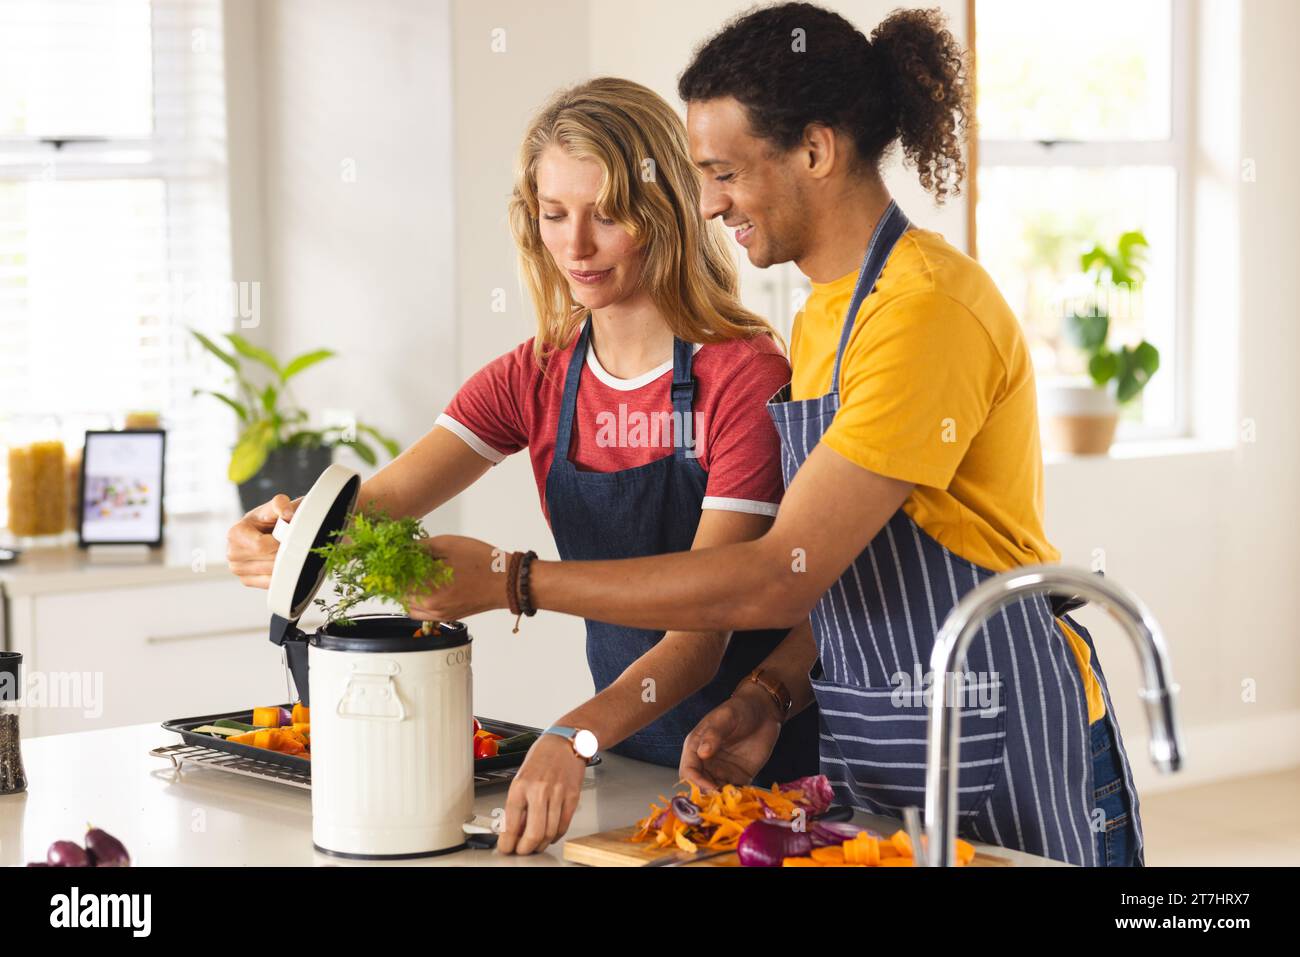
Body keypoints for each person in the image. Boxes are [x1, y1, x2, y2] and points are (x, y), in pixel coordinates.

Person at [411, 5, 1143, 867]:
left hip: (998, 729)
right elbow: (848, 576)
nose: (710, 202)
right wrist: (769, 692)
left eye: (723, 171)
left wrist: (516, 579)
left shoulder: (925, 312)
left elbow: (771, 575)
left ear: (816, 150)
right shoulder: (828, 310)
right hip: (877, 738)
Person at [226, 77, 818, 856]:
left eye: (607, 215)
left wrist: (572, 733)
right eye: (553, 214)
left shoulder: (742, 376)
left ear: (664, 212)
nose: (574, 246)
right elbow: (376, 503)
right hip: (634, 765)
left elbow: (702, 627)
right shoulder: (537, 375)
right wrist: (285, 529)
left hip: (759, 768)